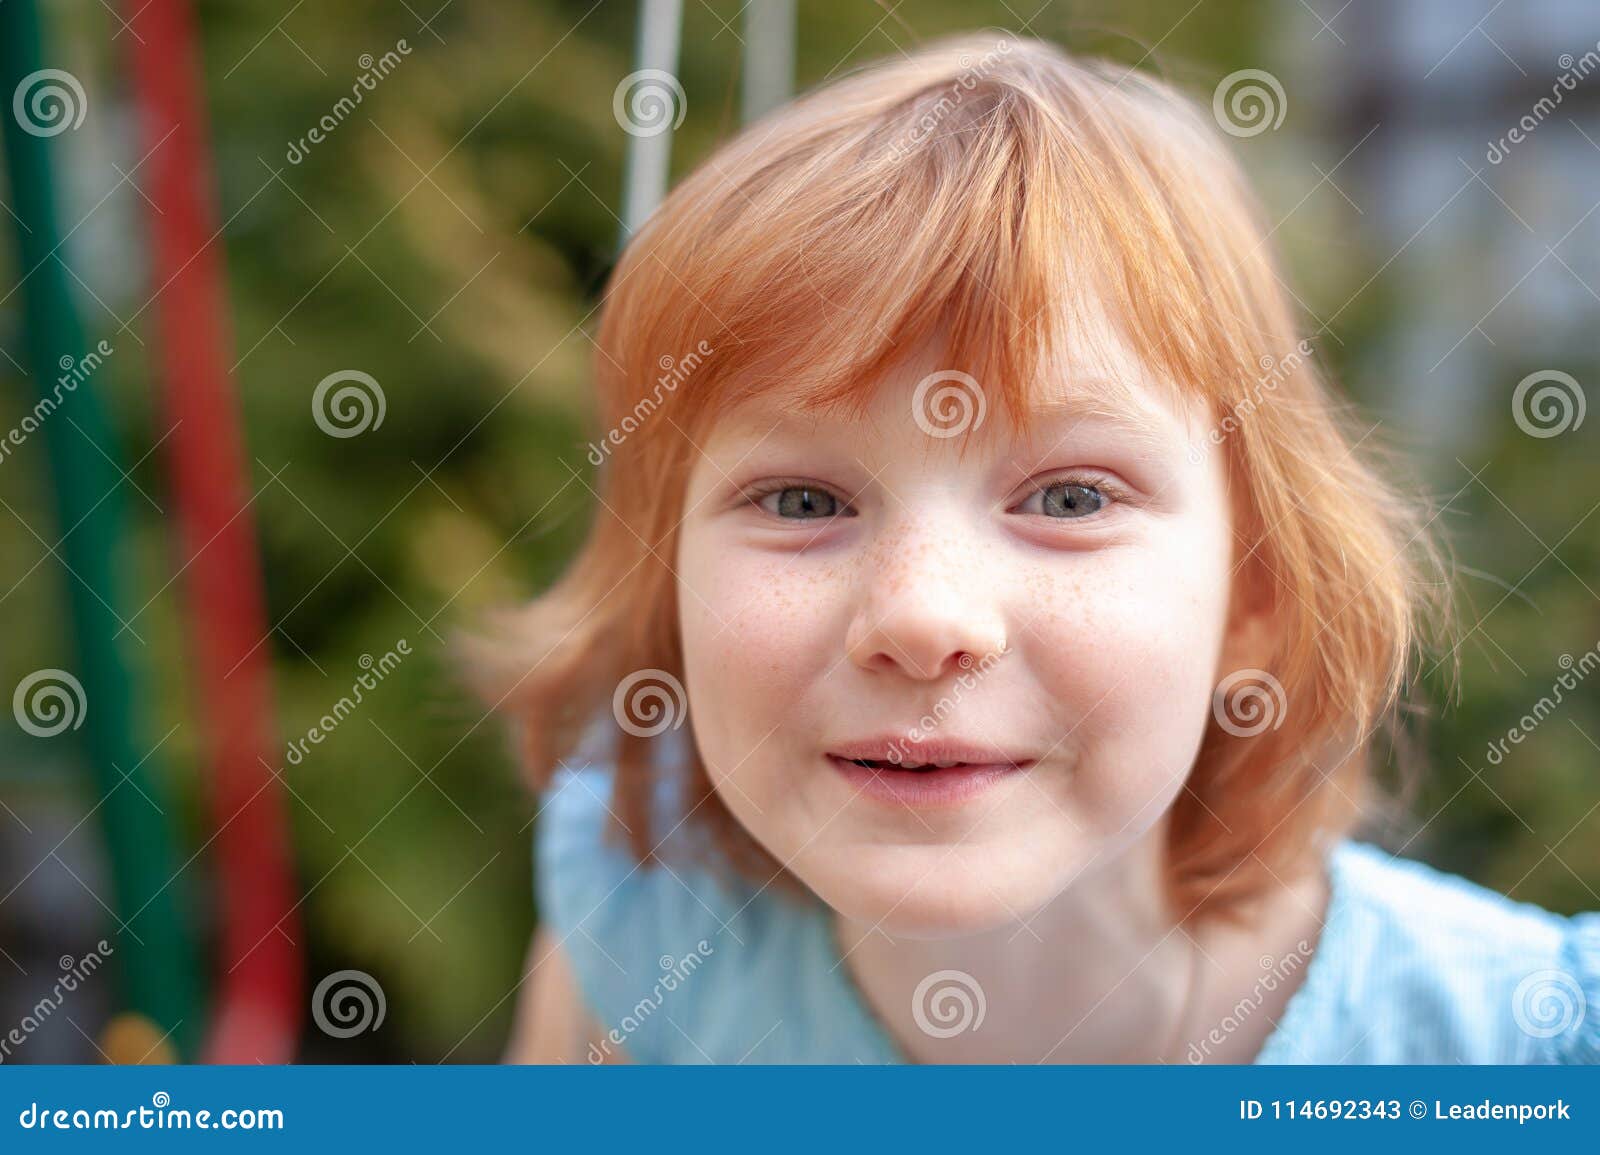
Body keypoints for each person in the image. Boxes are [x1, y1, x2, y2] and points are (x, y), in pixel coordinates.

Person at [471, 33, 1599, 1064]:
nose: (920, 618)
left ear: (1254, 598)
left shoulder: (1521, 1048)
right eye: (803, 501)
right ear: (670, 589)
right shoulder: (646, 924)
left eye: (1066, 497)